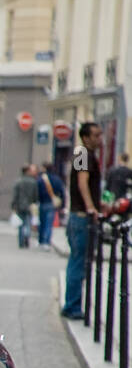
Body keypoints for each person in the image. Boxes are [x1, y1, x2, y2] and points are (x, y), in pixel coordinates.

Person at [63, 122, 104, 319]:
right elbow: (82, 181)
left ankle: (71, 304)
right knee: (79, 261)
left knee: (77, 260)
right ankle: (72, 305)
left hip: (78, 216)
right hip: (81, 217)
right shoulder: (82, 154)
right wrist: (90, 207)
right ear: (86, 137)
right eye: (96, 135)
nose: (100, 139)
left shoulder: (84, 154)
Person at [11, 164, 39, 247]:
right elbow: (35, 195)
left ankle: (21, 241)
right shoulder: (33, 182)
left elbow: (15, 195)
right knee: (27, 223)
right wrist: (34, 203)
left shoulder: (18, 181)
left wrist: (13, 205)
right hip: (29, 205)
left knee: (21, 224)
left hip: (20, 205)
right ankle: (26, 238)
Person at [37, 162, 64, 248]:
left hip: (43, 202)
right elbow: (62, 192)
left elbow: (37, 191)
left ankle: (41, 241)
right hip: (52, 204)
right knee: (49, 224)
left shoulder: (41, 179)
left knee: (42, 222)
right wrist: (62, 205)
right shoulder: (57, 179)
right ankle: (46, 242)